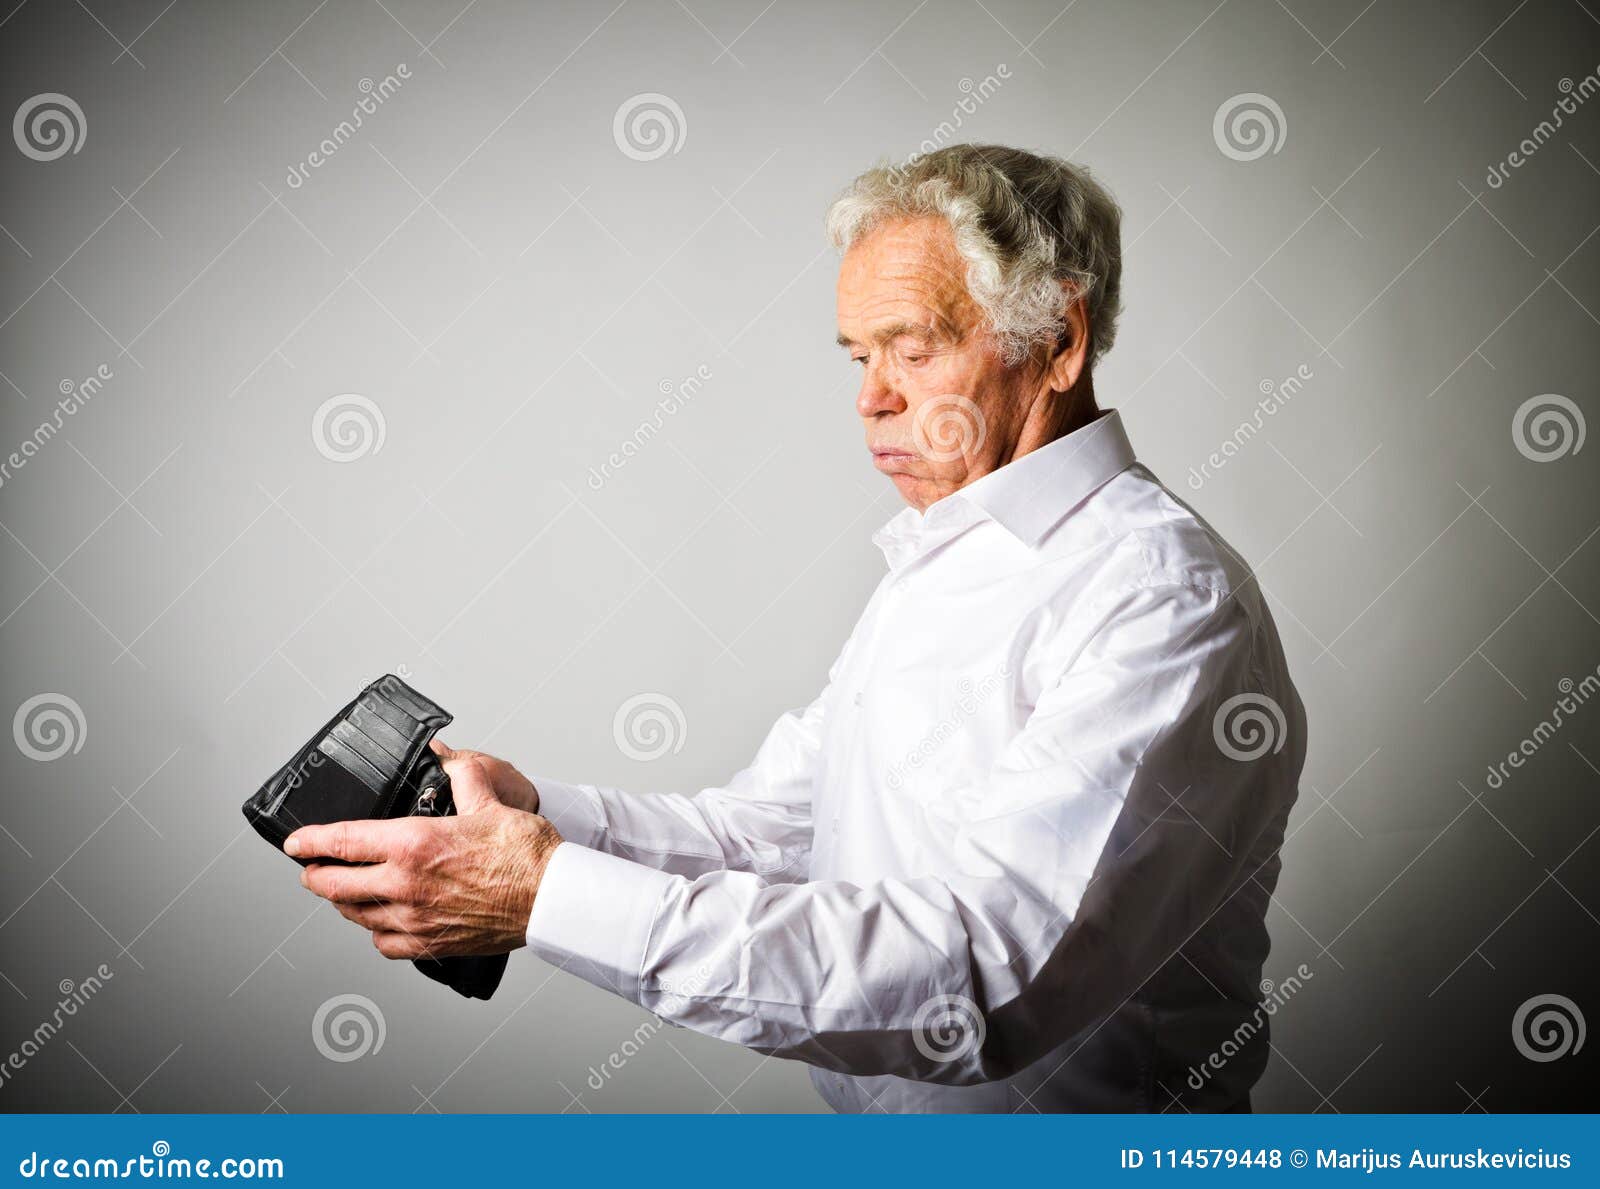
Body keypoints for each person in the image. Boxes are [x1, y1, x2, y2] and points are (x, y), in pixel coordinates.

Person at [291, 144, 1308, 1113]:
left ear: (1056, 342)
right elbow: (775, 832)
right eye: (861, 356)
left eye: (914, 347)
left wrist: (542, 892)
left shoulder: (1161, 600)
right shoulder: (943, 557)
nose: (871, 399)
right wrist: (534, 817)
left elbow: (979, 982)